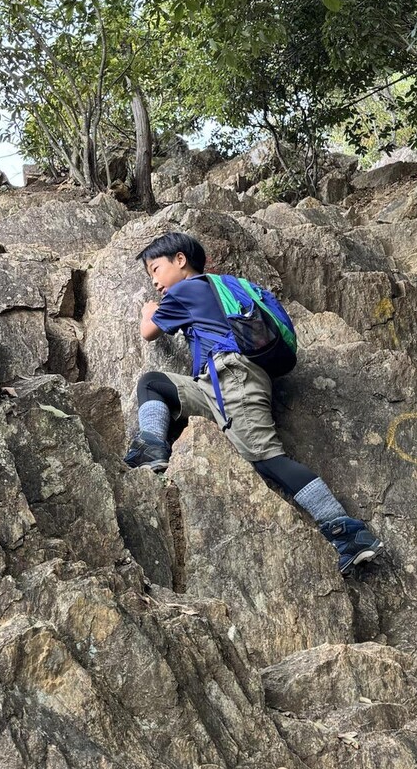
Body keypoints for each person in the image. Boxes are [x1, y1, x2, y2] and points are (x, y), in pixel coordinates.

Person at [124, 229, 384, 576]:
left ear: (181, 261)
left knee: (266, 459)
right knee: (154, 383)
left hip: (233, 379)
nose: (154, 282)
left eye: (155, 270)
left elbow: (149, 331)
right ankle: (153, 449)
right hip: (211, 385)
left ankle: (347, 532)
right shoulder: (216, 288)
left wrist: (148, 310)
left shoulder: (187, 289)